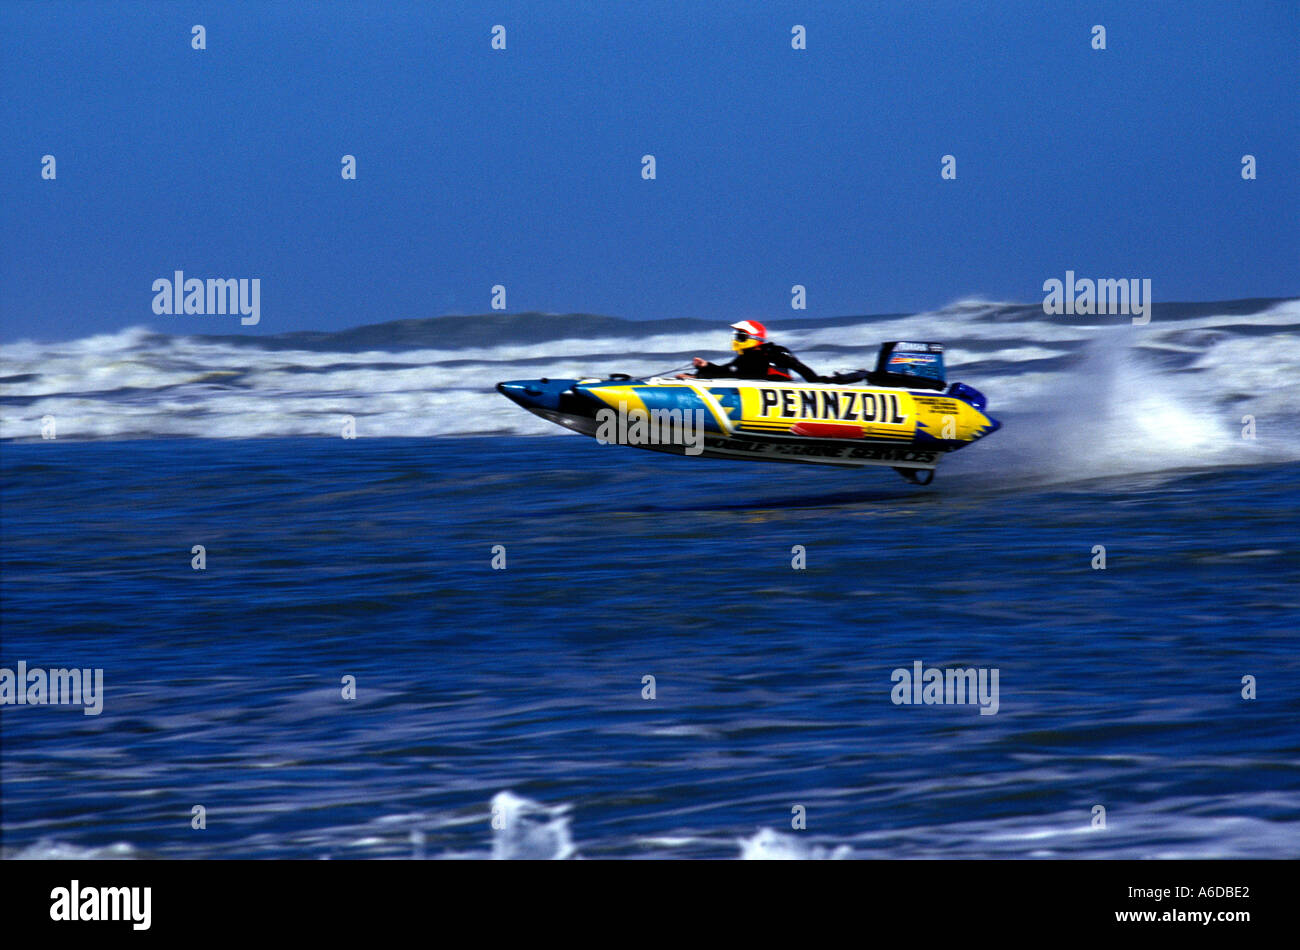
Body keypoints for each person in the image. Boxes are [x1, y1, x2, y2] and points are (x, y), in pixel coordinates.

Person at [677, 320, 821, 382]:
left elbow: (802, 370)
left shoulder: (773, 352)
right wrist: (706, 366)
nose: (736, 340)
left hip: (779, 391)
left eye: (740, 336)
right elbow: (728, 371)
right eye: (736, 336)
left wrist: (819, 383)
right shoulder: (744, 358)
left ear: (753, 338)